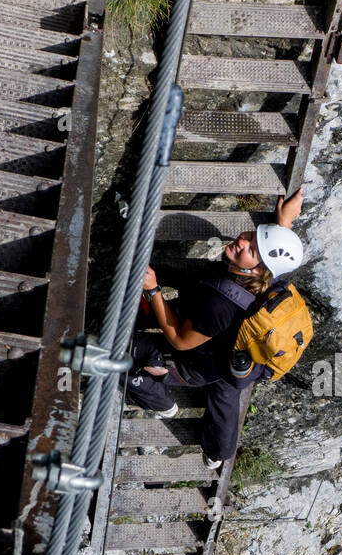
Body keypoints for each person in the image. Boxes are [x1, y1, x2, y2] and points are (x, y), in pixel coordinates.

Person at [128, 187, 305, 469]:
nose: (243, 240)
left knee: (124, 353)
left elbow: (179, 340)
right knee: (226, 387)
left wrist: (153, 291)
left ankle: (162, 402)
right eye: (251, 235)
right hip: (230, 354)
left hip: (197, 362)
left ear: (257, 270)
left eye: (252, 247)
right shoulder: (269, 279)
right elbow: (273, 254)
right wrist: (284, 222)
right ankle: (219, 452)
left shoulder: (220, 306)